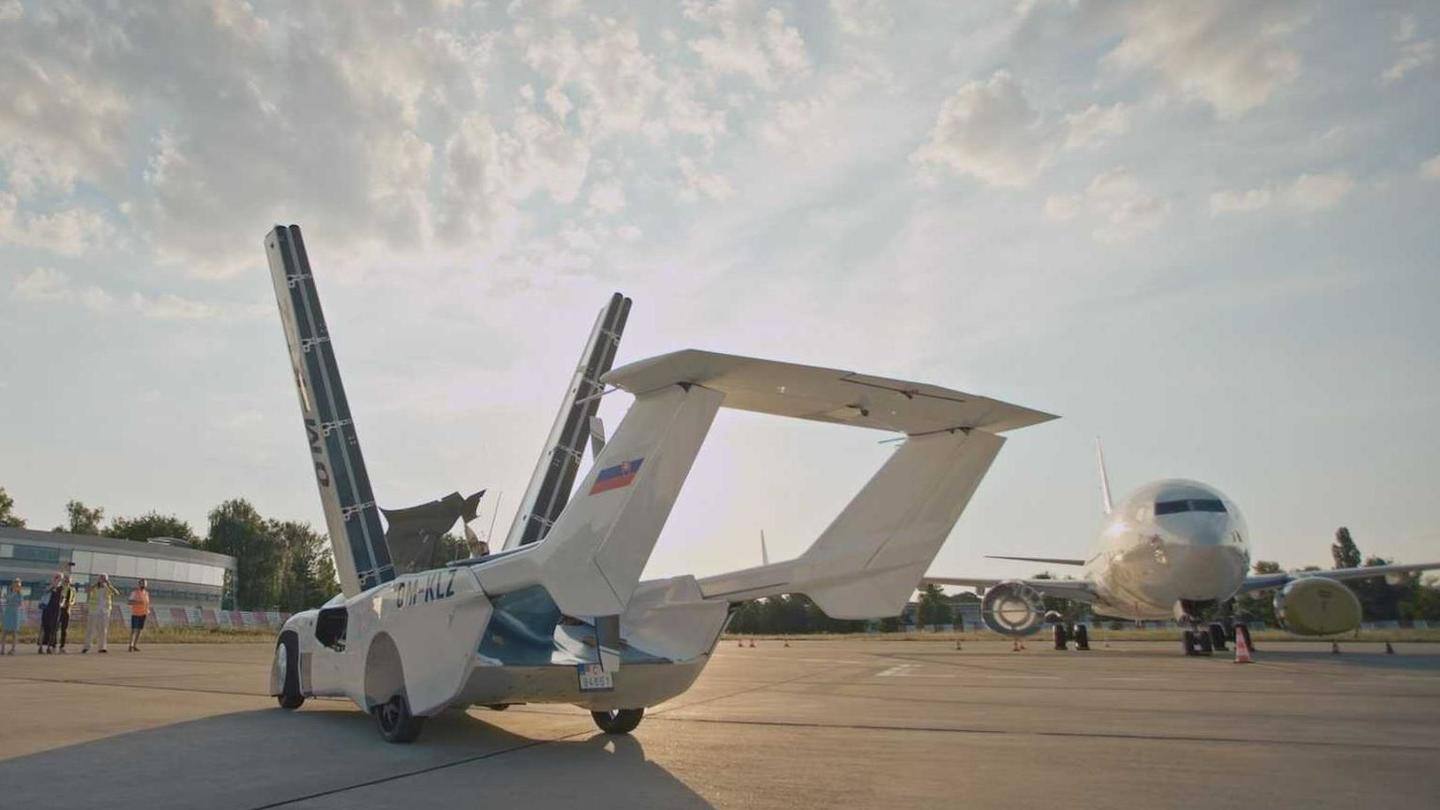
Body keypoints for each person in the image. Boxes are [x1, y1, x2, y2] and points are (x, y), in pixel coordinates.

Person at [81, 574, 121, 654]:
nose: (102, 580)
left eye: (104, 579)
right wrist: (96, 584)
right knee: (90, 629)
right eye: (101, 578)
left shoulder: (108, 587)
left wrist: (109, 584)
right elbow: (87, 590)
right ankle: (86, 646)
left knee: (103, 630)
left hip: (104, 611)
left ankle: (102, 647)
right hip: (94, 610)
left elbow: (117, 593)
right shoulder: (94, 587)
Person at [39, 574, 62, 654]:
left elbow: (62, 598)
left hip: (55, 610)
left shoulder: (61, 588)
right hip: (47, 609)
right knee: (44, 626)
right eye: (56, 577)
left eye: (58, 578)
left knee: (53, 628)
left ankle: (50, 646)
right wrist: (52, 585)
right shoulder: (49, 586)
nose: (57, 579)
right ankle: (41, 646)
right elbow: (44, 592)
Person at [127, 578, 151, 652]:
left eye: (144, 583)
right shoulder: (135, 592)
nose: (143, 585)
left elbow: (146, 603)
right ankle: (130, 645)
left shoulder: (146, 593)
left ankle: (135, 645)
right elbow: (129, 602)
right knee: (134, 629)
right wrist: (137, 602)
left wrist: (147, 611)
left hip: (143, 614)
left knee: (139, 630)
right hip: (136, 613)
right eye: (142, 583)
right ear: (139, 584)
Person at [57, 569, 77, 653]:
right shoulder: (60, 588)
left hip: (67, 610)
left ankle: (62, 646)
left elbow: (73, 600)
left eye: (69, 580)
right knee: (55, 628)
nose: (67, 581)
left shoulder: (72, 590)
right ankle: (52, 644)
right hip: (59, 610)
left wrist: (70, 604)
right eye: (66, 579)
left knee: (64, 629)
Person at [2, 578, 23, 655]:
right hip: (8, 612)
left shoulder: (19, 594)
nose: (16, 585)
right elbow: (7, 599)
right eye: (15, 583)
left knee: (14, 632)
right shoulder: (9, 592)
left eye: (18, 584)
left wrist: (15, 593)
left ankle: (13, 649)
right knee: (4, 632)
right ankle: (2, 649)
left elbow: (20, 603)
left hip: (15, 613)